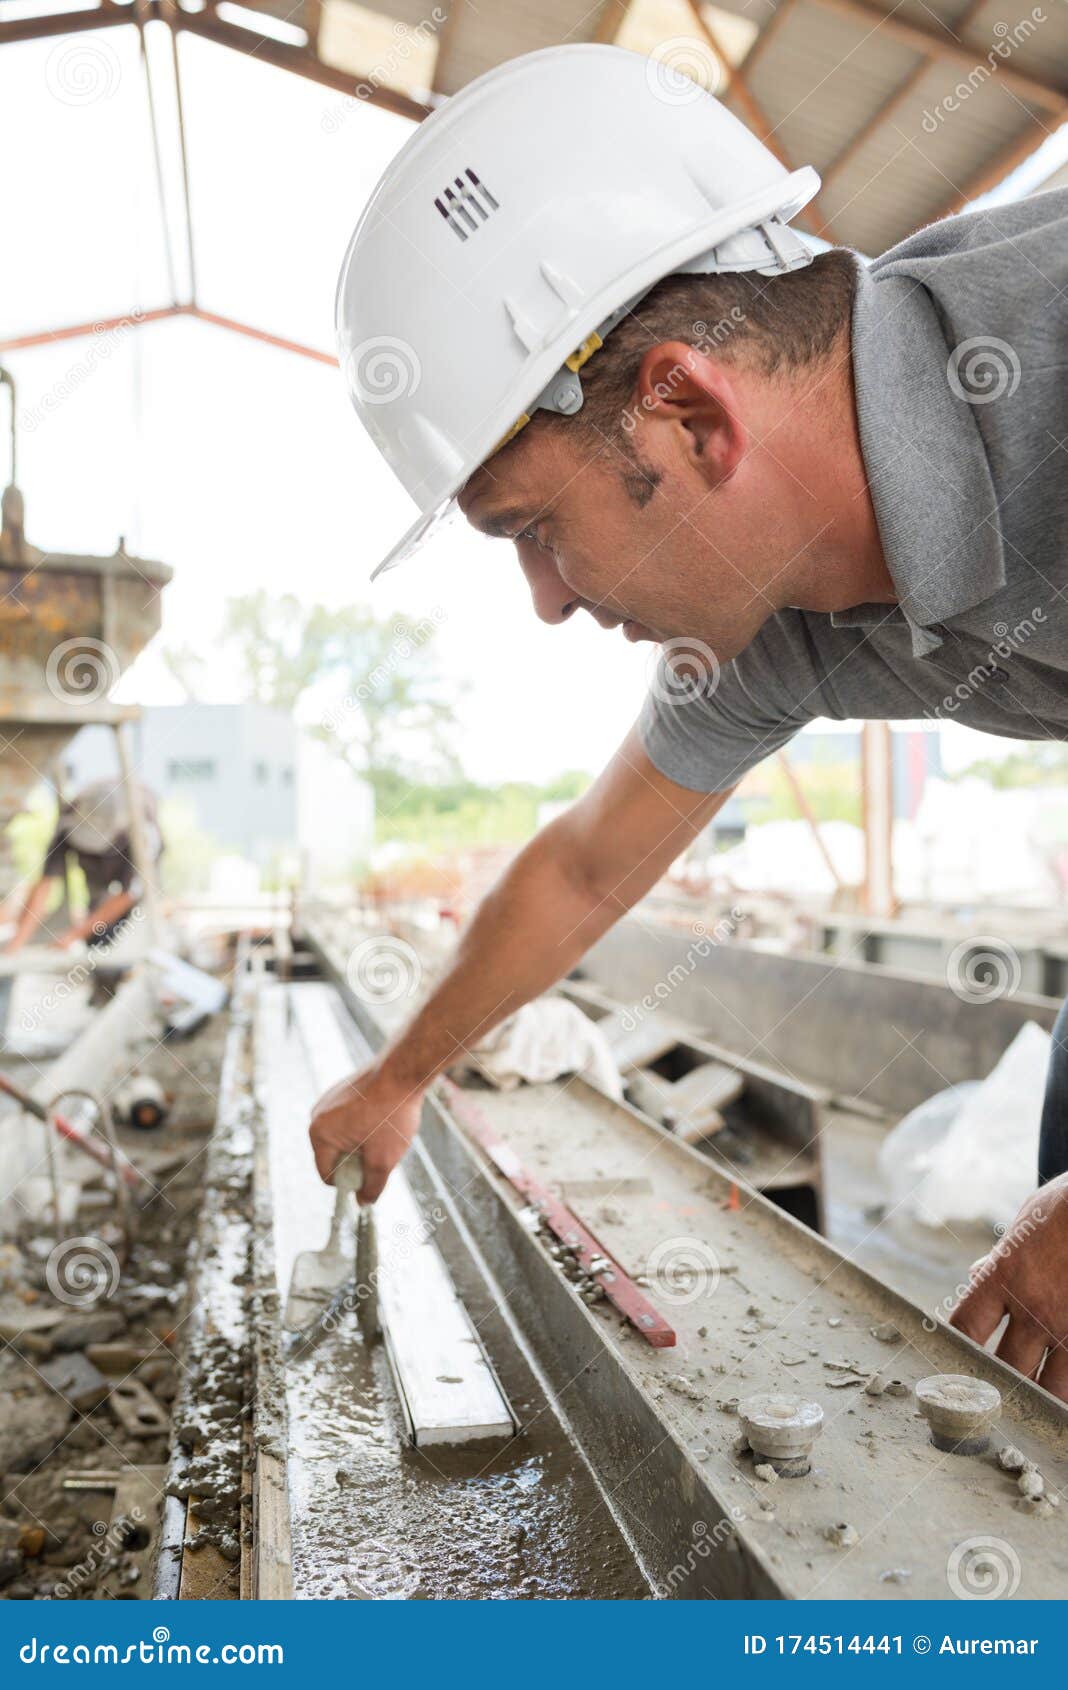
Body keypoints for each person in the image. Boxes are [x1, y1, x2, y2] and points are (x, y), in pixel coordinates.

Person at [311, 46, 1068, 1399]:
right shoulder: (779, 621)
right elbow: (590, 864)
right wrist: (398, 1075)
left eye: (535, 530)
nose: (547, 601)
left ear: (690, 412)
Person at [4, 778, 161, 959]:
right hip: (94, 879)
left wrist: (72, 936)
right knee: (94, 935)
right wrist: (16, 944)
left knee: (116, 939)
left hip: (129, 880)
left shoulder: (140, 833)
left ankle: (112, 976)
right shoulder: (70, 818)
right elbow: (45, 884)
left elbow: (127, 895)